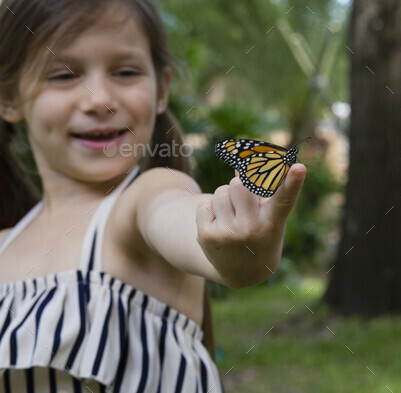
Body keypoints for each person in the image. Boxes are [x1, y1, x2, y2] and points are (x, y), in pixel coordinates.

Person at [0, 0, 306, 391]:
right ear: (8, 97)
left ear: (161, 89)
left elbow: (181, 220)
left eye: (126, 72)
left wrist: (237, 243)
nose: (99, 100)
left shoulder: (143, 200)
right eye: (63, 75)